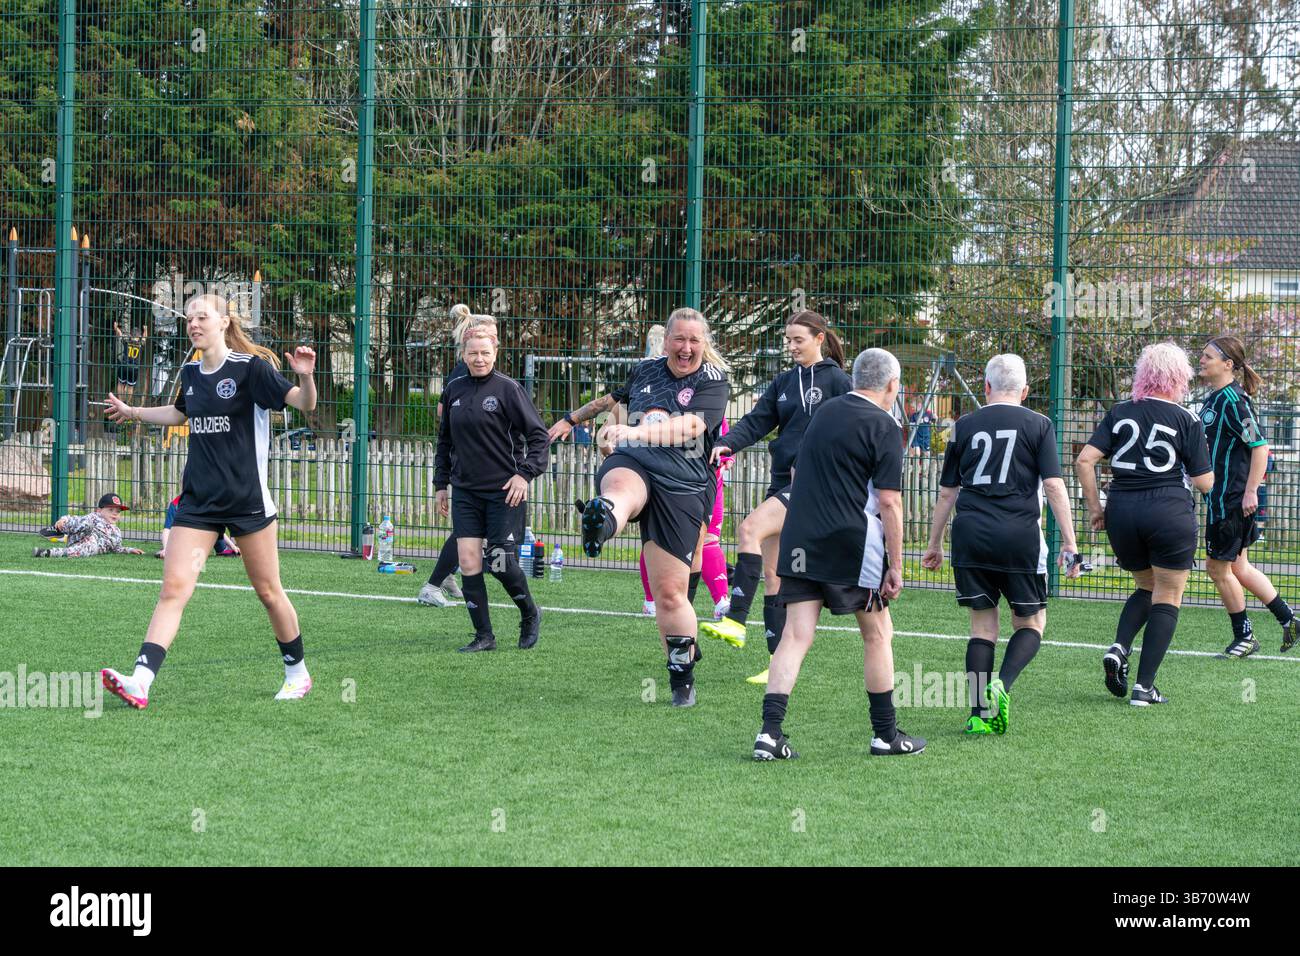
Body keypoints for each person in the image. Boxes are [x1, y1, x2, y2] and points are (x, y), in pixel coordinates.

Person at [99, 293, 319, 709]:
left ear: (223, 322)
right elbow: (181, 414)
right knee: (173, 589)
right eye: (189, 318)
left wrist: (305, 377)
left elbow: (303, 404)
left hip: (246, 499)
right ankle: (140, 681)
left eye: (202, 317)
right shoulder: (191, 372)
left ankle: (297, 672)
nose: (194, 324)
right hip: (199, 502)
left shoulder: (251, 369)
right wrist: (133, 412)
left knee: (269, 591)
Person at [752, 348, 921, 760]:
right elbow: (889, 502)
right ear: (892, 386)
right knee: (878, 633)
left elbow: (795, 473)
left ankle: (769, 735)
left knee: (795, 634)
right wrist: (896, 565)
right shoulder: (884, 425)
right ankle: (885, 735)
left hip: (799, 537)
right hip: (850, 542)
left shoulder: (824, 413)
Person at [576, 308, 730, 707]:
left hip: (684, 482)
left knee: (670, 594)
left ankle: (682, 677)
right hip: (638, 462)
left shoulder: (713, 380)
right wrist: (608, 435)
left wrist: (635, 431)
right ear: (666, 342)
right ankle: (602, 518)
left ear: (704, 343)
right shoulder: (645, 370)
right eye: (679, 339)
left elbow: (693, 427)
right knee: (620, 486)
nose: (687, 347)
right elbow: (619, 415)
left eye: (694, 340)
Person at [921, 354, 1081, 736]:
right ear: (1025, 391)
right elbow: (1055, 486)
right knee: (1031, 622)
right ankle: (1002, 685)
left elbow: (947, 493)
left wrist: (934, 544)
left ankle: (978, 714)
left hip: (970, 534)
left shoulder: (961, 426)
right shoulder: (1040, 424)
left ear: (986, 388)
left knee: (982, 627)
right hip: (1018, 536)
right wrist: (1071, 546)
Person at [698, 310, 851, 684]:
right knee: (773, 575)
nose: (791, 346)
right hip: (782, 481)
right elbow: (755, 422)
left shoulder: (839, 382)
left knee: (749, 529)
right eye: (787, 340)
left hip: (813, 484)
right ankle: (776, 664)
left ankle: (735, 618)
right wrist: (725, 444)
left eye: (798, 339)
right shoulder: (784, 382)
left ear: (819, 338)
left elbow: (856, 427)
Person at [1075, 343, 1215, 705]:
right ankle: (1144, 687)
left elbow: (1084, 461)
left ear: (1144, 374)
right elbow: (1204, 483)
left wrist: (1095, 508)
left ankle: (1120, 647)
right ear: (1178, 377)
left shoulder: (1120, 412)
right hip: (1167, 509)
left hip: (1122, 509)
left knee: (1146, 587)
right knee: (1168, 595)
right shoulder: (1187, 419)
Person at [433, 322, 550, 652]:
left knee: (499, 561)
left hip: (504, 492)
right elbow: (444, 442)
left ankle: (529, 612)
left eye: (486, 353)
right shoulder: (454, 390)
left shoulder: (509, 389)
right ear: (463, 355)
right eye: (473, 353)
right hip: (466, 492)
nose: (480, 358)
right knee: (469, 561)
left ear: (496, 353)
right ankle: (484, 636)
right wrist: (441, 484)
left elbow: (539, 438)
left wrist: (524, 475)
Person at [1197, 335, 1297, 656]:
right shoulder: (1213, 399)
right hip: (1220, 499)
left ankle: (1245, 636)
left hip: (1231, 501)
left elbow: (1260, 447)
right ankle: (1289, 620)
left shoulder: (1232, 401)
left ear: (1228, 364)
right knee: (1239, 567)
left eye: (1208, 356)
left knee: (1217, 568)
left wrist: (1251, 490)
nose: (1202, 360)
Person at [418, 304, 498, 608]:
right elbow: (443, 410)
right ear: (473, 336)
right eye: (490, 334)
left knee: (473, 529)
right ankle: (434, 583)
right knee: (470, 528)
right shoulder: (465, 370)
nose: (493, 341)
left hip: (484, 461)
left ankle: (444, 576)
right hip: (467, 459)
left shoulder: (484, 369)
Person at [640, 419, 732, 620]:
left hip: (711, 481)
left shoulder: (716, 405)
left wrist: (724, 461)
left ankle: (722, 601)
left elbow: (726, 444)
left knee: (708, 539)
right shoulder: (673, 407)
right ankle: (651, 601)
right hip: (673, 481)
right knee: (656, 540)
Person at [33, 493, 145, 558]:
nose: (115, 513)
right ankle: (60, 529)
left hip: (88, 547)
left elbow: (116, 549)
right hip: (78, 536)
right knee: (88, 523)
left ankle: (48, 552)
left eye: (118, 511)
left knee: (91, 546)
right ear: (99, 510)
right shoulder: (95, 517)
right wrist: (64, 519)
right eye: (110, 510)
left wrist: (129, 550)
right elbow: (78, 519)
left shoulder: (116, 532)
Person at [157, 492, 239, 558]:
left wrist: (232, 546)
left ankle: (222, 550)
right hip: (185, 537)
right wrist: (166, 548)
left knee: (214, 530)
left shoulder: (205, 503)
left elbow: (216, 528)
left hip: (203, 536)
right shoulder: (175, 504)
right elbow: (167, 529)